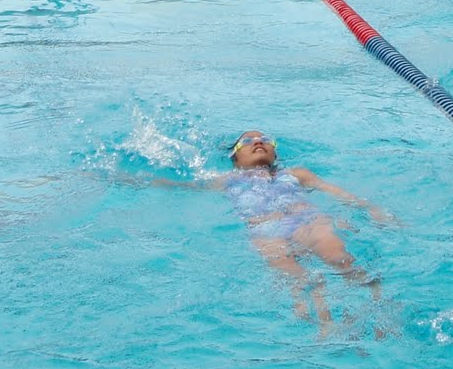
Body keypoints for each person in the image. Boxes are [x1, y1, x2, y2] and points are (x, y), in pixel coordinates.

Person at [156, 131, 391, 333]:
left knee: (342, 261)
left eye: (265, 139)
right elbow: (183, 187)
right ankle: (327, 326)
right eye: (247, 141)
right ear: (235, 158)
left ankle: (381, 310)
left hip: (307, 221)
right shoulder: (227, 180)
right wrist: (135, 180)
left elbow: (334, 191)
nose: (257, 141)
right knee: (300, 278)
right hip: (265, 230)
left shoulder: (297, 173)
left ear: (275, 154)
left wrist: (370, 207)